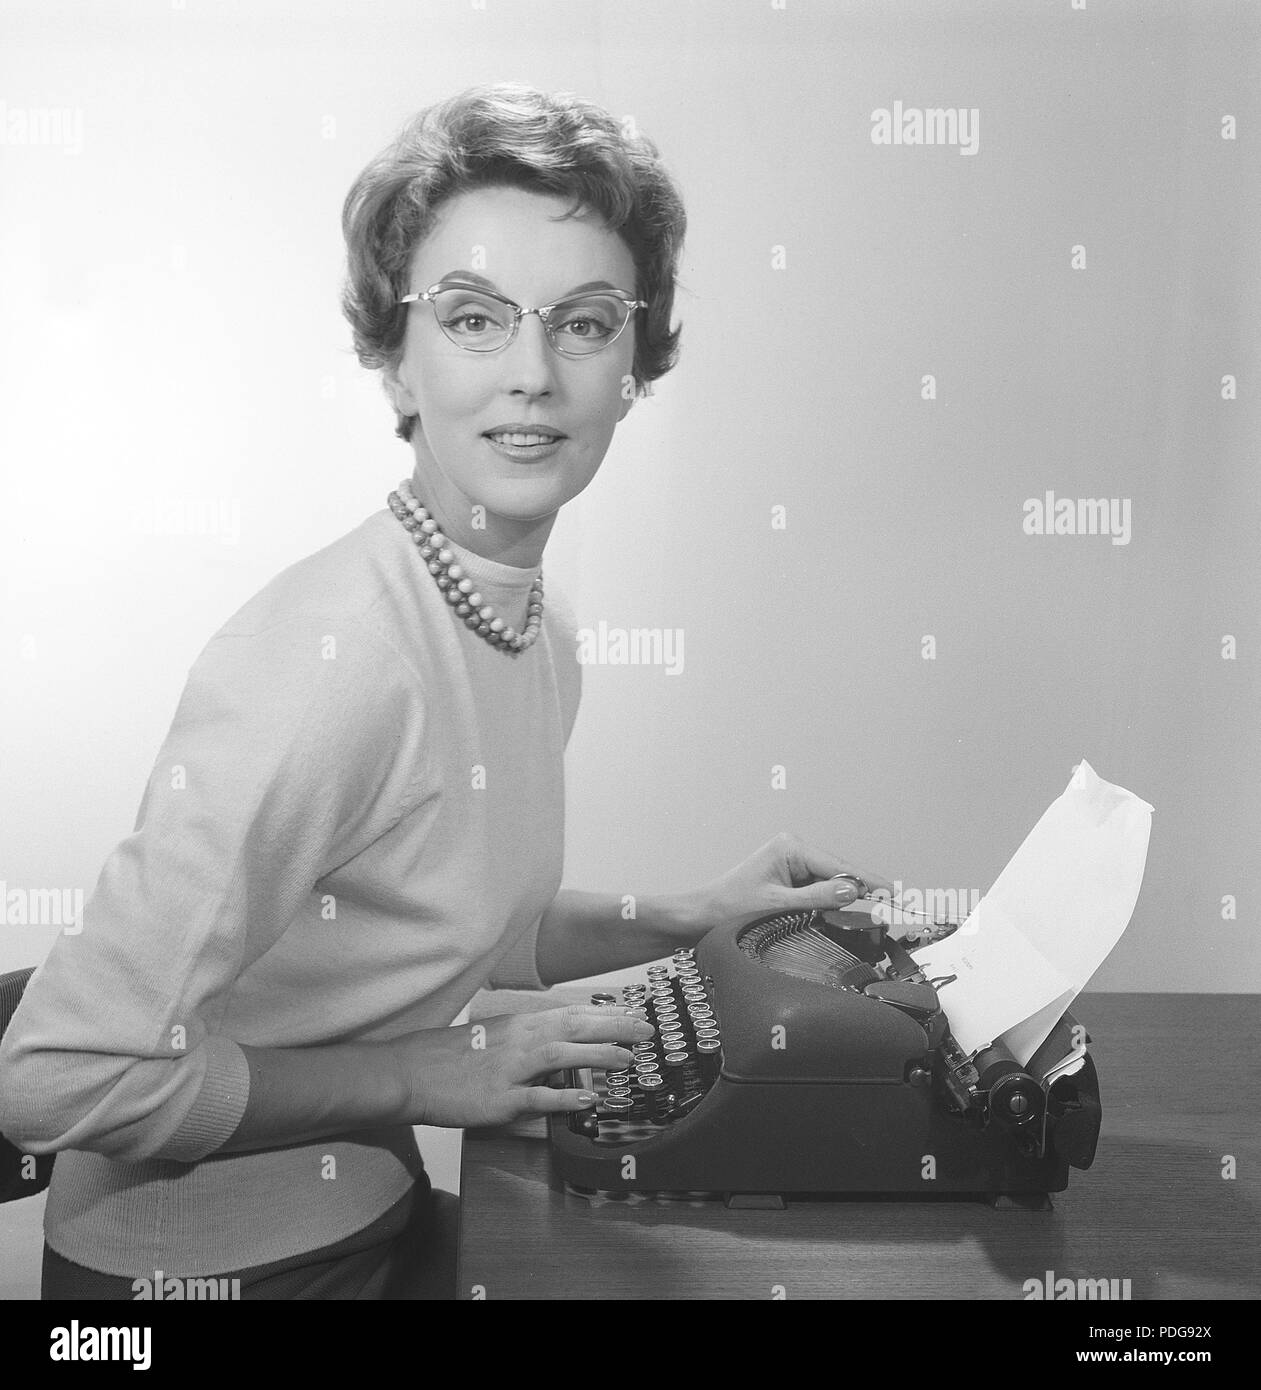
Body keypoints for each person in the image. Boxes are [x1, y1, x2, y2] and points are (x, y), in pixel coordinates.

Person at [0, 83, 889, 1299]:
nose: (532, 372)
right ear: (395, 362)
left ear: (636, 363)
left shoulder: (531, 624)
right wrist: (429, 1073)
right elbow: (58, 1073)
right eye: (474, 318)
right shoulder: (333, 662)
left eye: (582, 323)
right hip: (206, 1279)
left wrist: (687, 915)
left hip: (364, 1204)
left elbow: (462, 916)